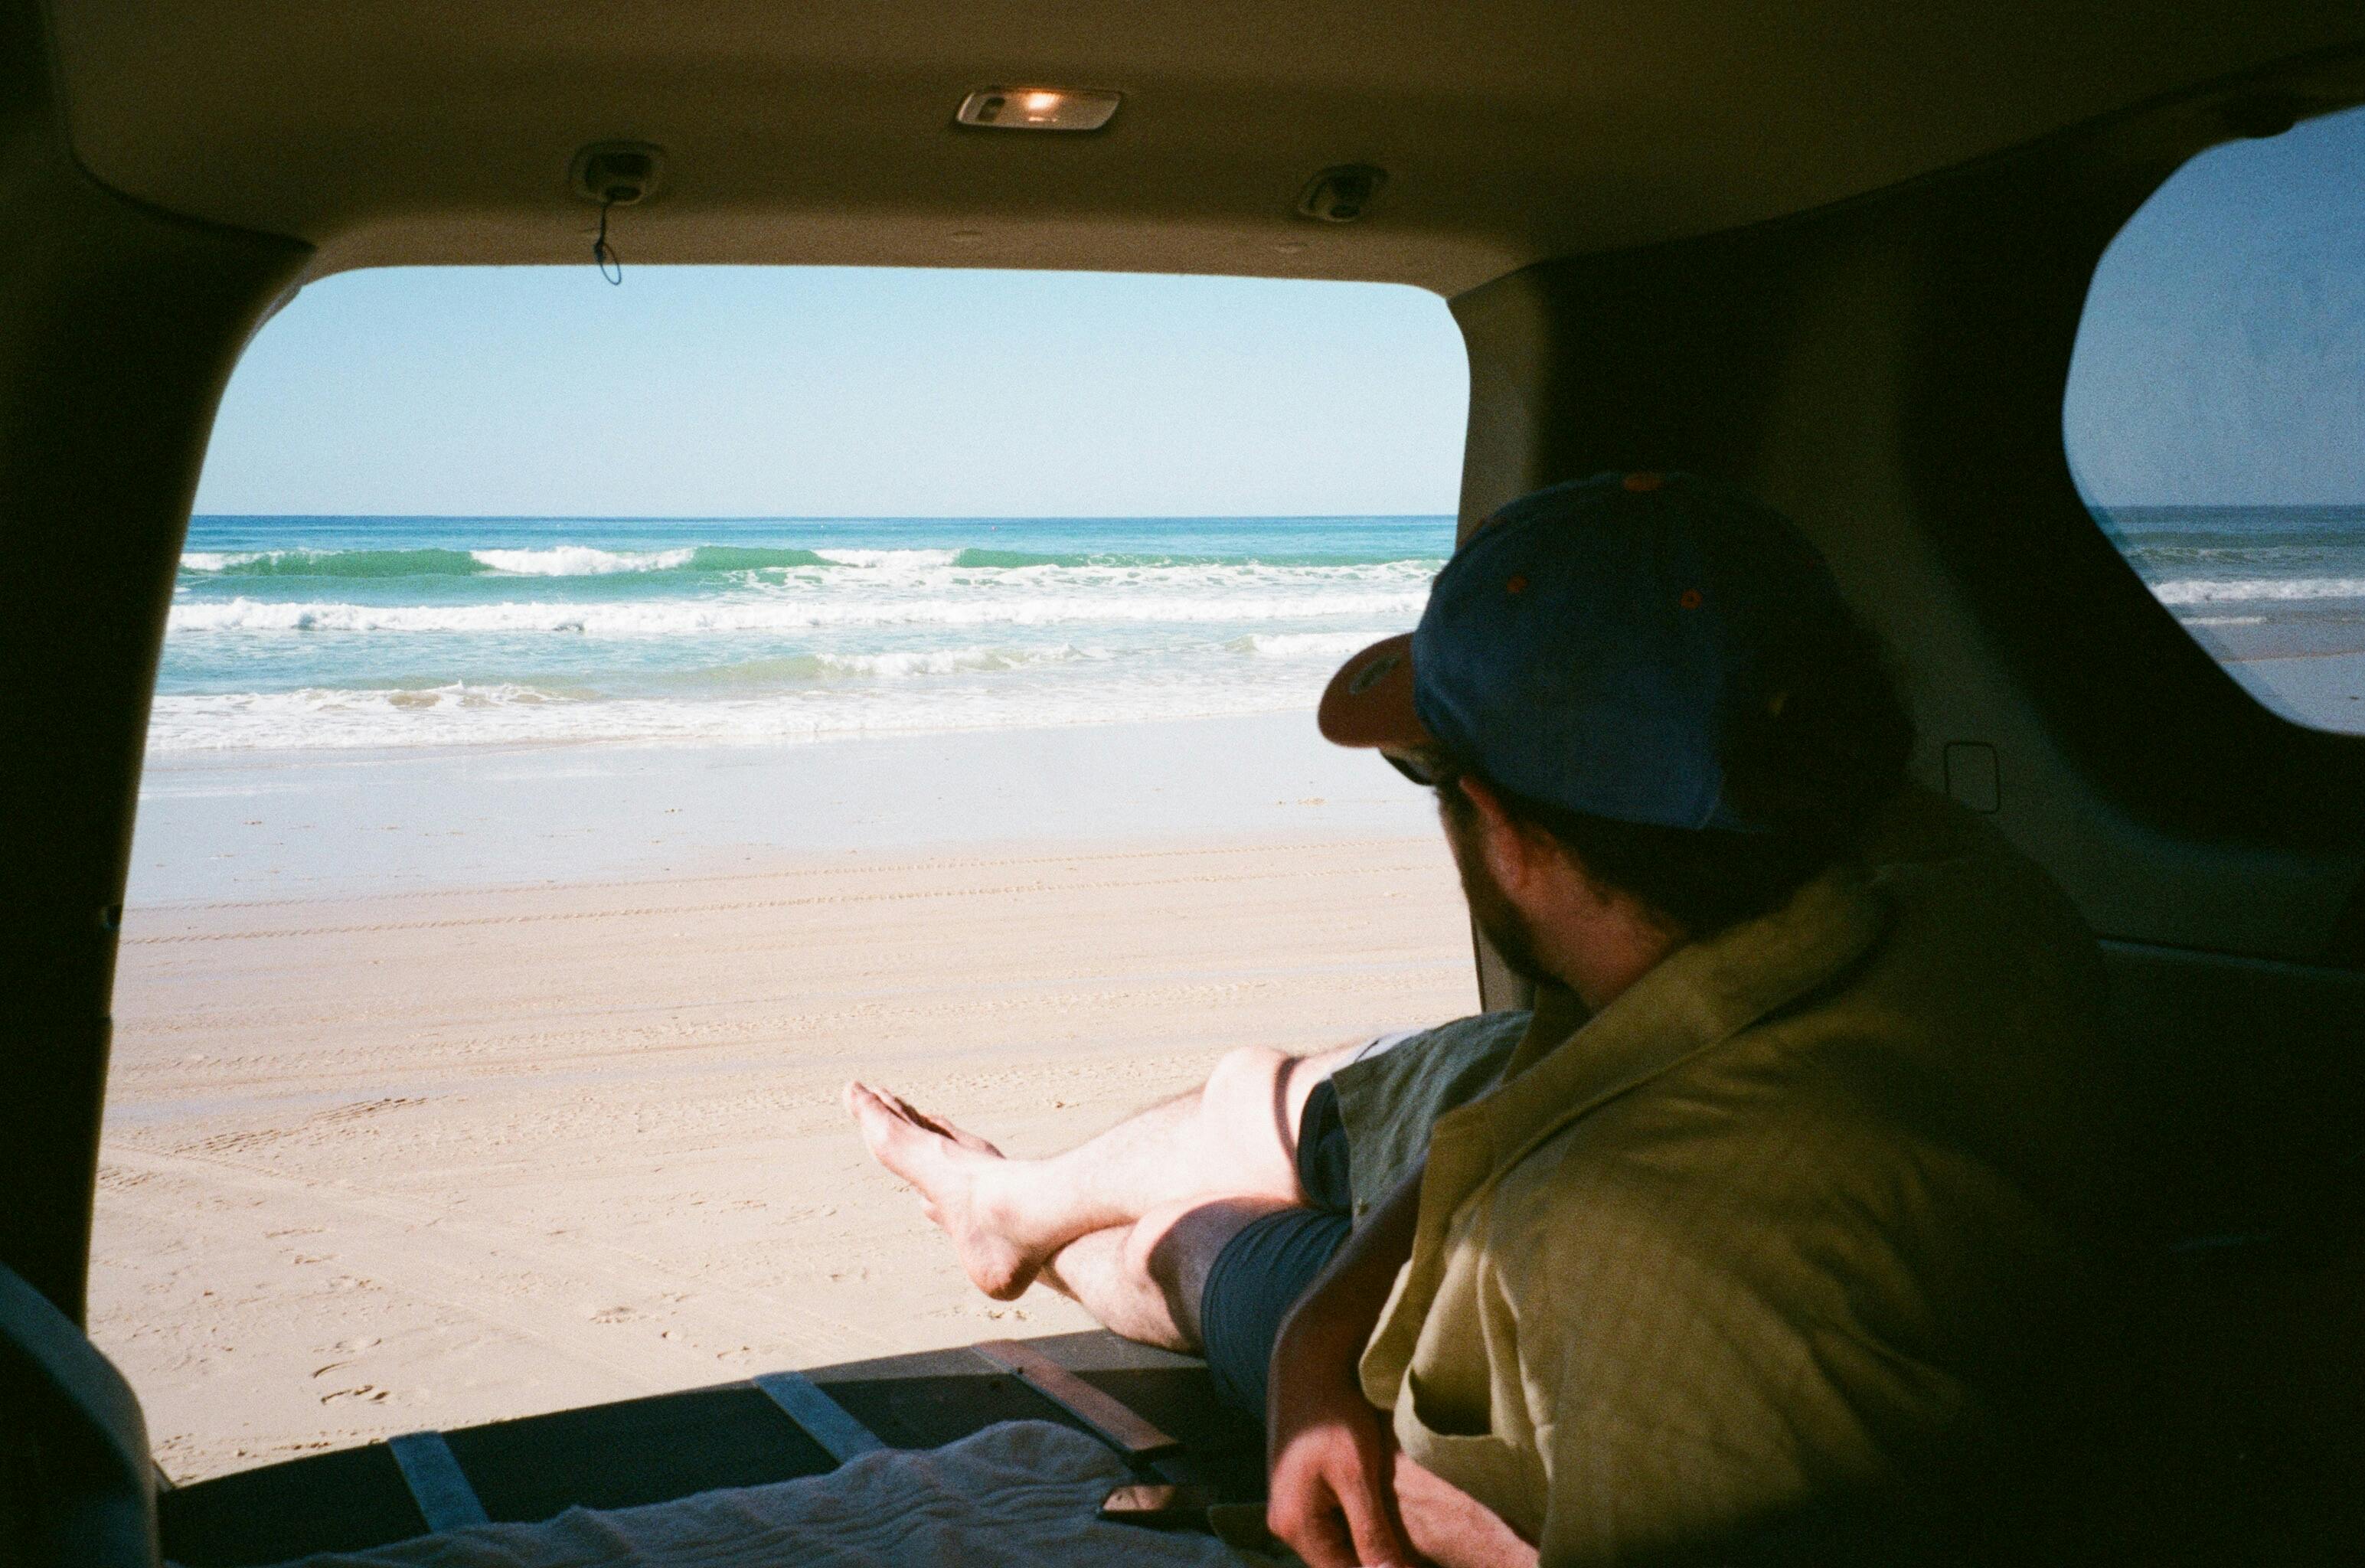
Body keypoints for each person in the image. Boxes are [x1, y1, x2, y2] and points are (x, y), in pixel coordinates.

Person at [845, 472, 2113, 1566]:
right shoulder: (1947, 876)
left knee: (1192, 1235)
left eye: (1429, 772)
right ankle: (1006, 1207)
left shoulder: (1644, 1257)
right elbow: (1549, 1075)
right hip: (1571, 1114)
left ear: (1500, 827)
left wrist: (1457, 1513)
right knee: (1271, 1097)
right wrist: (1326, 1325)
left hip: (1521, 1302)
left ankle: (1033, 1231)